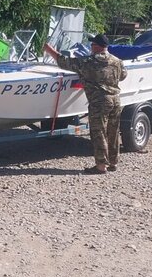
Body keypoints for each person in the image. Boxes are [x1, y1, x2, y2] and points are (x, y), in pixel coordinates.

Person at [42, 33, 127, 174]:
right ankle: (113, 163)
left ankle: (101, 166)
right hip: (116, 100)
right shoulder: (117, 61)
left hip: (99, 101)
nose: (91, 47)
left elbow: (64, 62)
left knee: (98, 132)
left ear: (98, 47)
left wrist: (49, 50)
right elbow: (123, 75)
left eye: (93, 45)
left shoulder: (88, 62)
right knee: (113, 131)